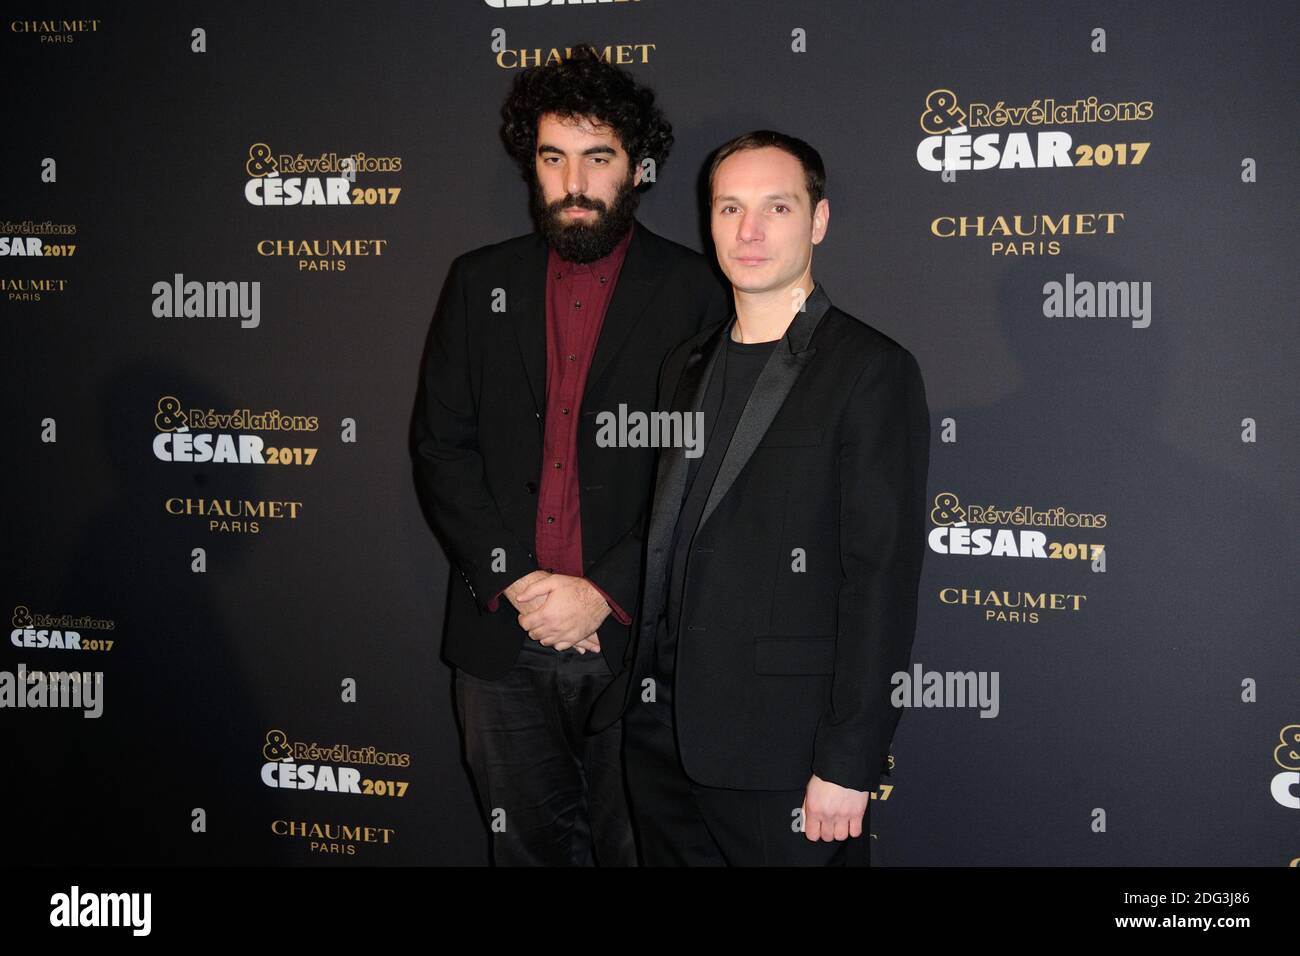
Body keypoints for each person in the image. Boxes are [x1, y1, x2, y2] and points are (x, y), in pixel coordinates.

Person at [412, 46, 729, 866]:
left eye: (598, 157)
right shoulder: (477, 282)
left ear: (636, 167)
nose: (575, 182)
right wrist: (518, 584)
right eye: (553, 158)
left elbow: (701, 468)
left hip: (635, 640)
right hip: (499, 636)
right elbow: (442, 447)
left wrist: (603, 594)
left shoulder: (697, 291)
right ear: (533, 166)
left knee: (641, 854)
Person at [588, 130, 931, 865]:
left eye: (777, 207)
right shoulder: (686, 363)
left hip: (788, 755)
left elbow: (881, 583)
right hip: (660, 739)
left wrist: (851, 760)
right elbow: (675, 528)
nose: (748, 231)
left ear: (819, 220)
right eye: (729, 208)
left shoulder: (871, 371)